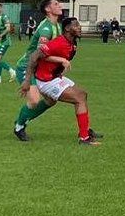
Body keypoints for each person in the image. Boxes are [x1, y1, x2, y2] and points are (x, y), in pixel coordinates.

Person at [19, 16, 102, 146]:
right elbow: (34, 56)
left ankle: (84, 131)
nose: (79, 27)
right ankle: (84, 138)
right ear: (67, 28)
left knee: (82, 95)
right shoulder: (59, 42)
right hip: (46, 80)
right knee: (79, 98)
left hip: (55, 77)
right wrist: (27, 80)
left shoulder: (72, 43)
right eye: (76, 25)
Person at [13, 0, 63, 141]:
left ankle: (22, 120)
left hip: (39, 67)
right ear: (48, 10)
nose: (60, 6)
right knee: (34, 100)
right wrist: (62, 61)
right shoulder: (46, 29)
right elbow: (37, 55)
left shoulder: (56, 26)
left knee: (51, 99)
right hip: (26, 66)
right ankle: (19, 127)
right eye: (56, 4)